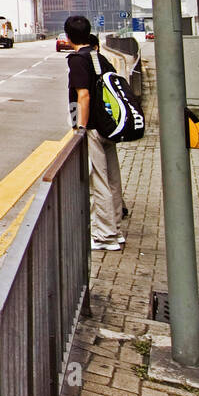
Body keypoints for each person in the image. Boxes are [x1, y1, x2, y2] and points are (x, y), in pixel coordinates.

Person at [65, 15, 125, 251]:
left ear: (68, 37)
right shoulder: (98, 57)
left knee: (98, 181)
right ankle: (115, 229)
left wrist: (81, 127)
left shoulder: (78, 60)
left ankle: (105, 235)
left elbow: (83, 95)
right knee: (112, 178)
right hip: (108, 125)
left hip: (92, 128)